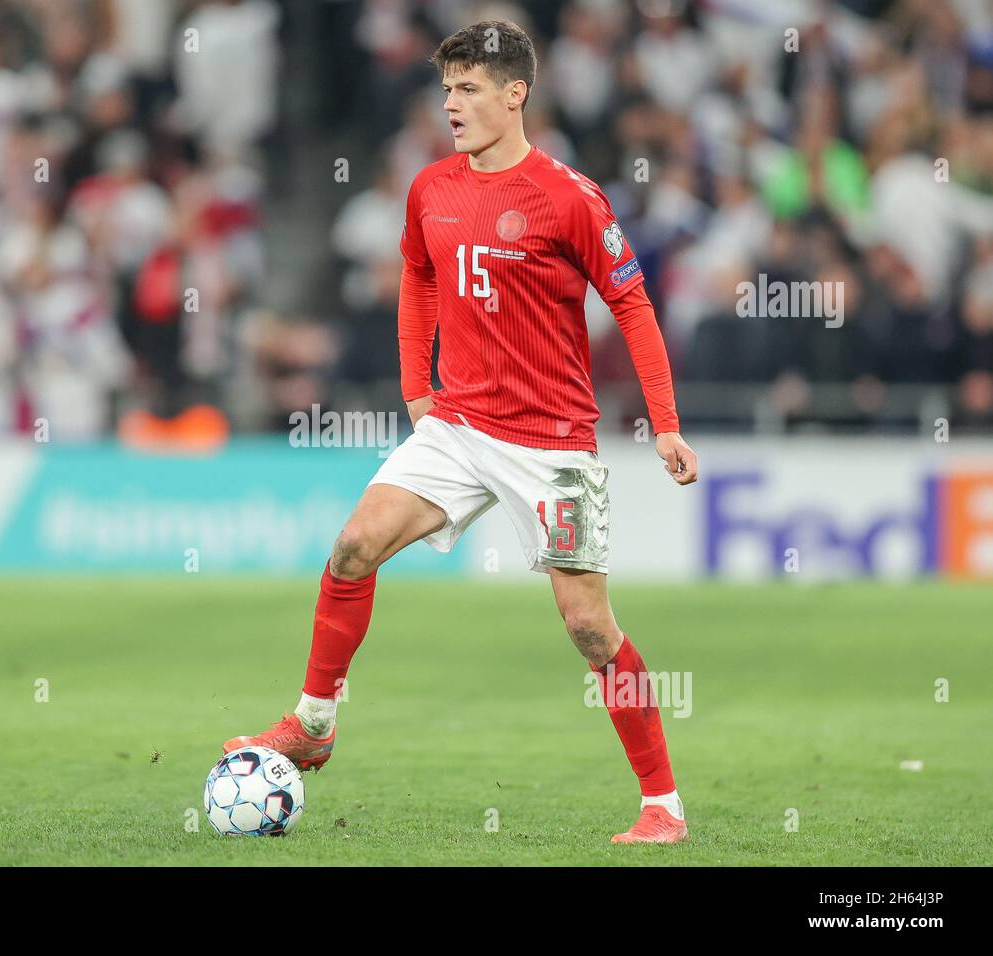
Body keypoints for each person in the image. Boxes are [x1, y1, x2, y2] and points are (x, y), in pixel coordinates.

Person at [223, 20, 698, 844]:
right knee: (351, 547)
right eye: (447, 89)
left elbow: (632, 303)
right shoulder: (430, 188)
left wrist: (664, 424)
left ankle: (663, 804)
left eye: (470, 88)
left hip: (551, 443)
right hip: (457, 426)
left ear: (516, 95)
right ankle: (313, 721)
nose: (452, 104)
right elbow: (416, 275)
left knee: (589, 626)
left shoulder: (570, 197)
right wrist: (416, 391)